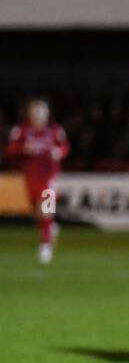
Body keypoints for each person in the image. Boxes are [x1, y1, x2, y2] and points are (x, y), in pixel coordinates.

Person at [5, 99, 69, 264]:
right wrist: (23, 149)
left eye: (42, 111)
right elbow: (10, 149)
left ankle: (45, 246)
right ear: (30, 113)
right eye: (36, 111)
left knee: (46, 208)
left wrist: (58, 152)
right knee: (37, 211)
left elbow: (65, 147)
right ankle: (50, 227)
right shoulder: (21, 131)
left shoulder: (55, 130)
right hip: (31, 176)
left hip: (49, 175)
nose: (39, 115)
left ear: (47, 113)